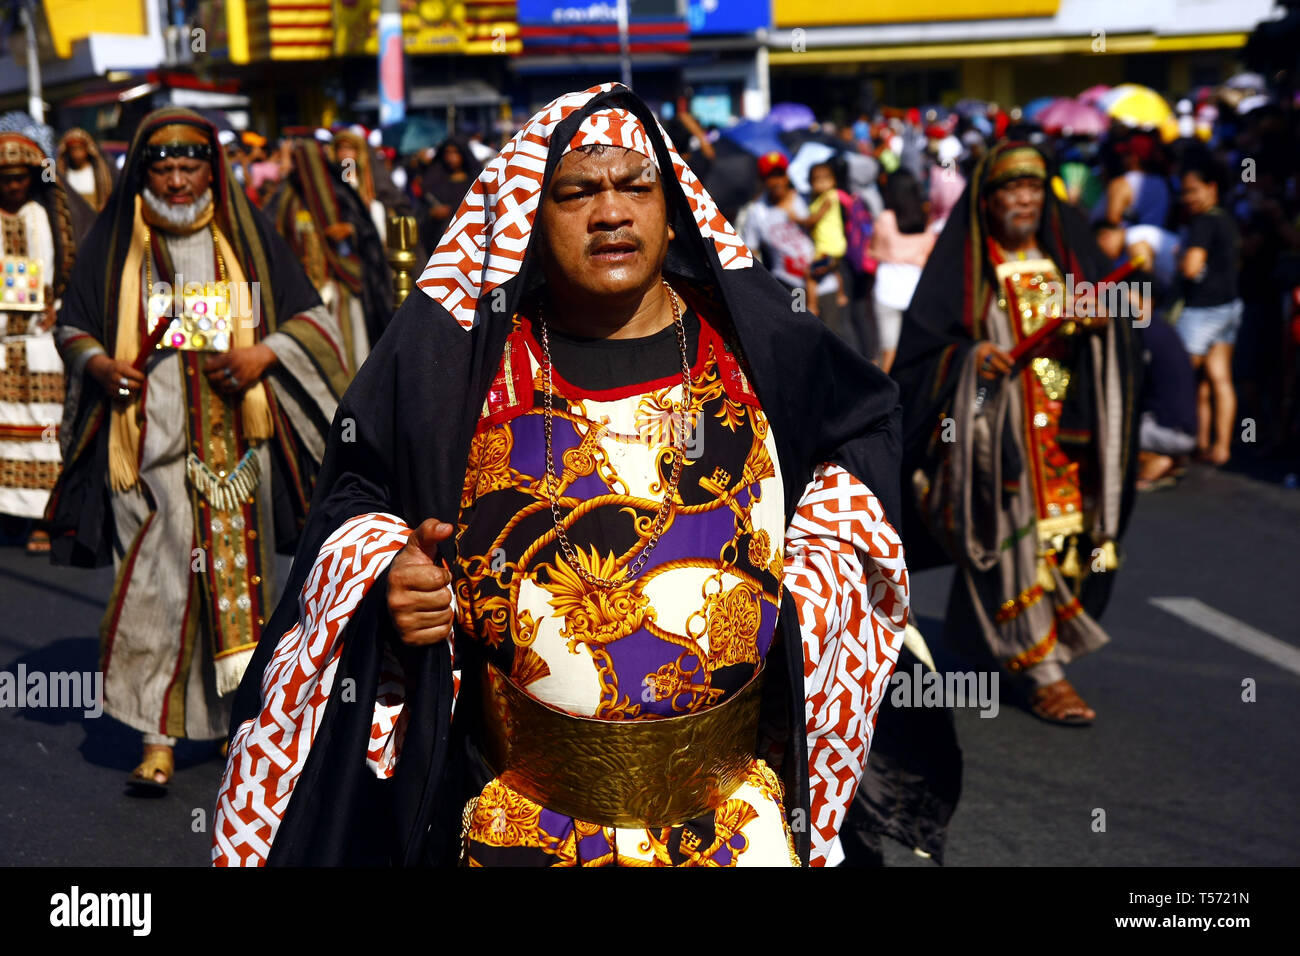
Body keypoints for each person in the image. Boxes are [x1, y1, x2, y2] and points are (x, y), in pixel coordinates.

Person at [214, 83, 909, 868]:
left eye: (634, 187)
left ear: (671, 205)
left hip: (732, 822)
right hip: (522, 825)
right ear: (530, 221)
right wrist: (385, 574)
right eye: (576, 192)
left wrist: (822, 560)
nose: (610, 213)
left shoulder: (756, 344)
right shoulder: (460, 368)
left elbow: (868, 428)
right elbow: (354, 495)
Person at [45, 107, 349, 790]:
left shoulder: (244, 239)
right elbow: (72, 326)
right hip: (143, 455)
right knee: (158, 588)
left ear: (211, 169)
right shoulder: (116, 242)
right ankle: (157, 736)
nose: (179, 181)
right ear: (142, 173)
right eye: (164, 168)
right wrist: (98, 365)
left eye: (191, 167)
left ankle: (230, 722)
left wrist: (261, 354)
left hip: (238, 457)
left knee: (236, 594)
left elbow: (311, 321)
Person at [892, 141, 1140, 726]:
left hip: (1067, 437)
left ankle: (1007, 645)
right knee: (1012, 542)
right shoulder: (967, 272)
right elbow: (923, 356)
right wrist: (971, 357)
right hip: (996, 439)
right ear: (988, 199)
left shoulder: (1068, 260)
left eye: (1033, 186)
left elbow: (1119, 337)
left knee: (1064, 546)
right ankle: (1042, 672)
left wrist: (1104, 322)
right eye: (1010, 188)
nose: (1023, 198)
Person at [0, 117, 80, 554]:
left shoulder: (45, 216)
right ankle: (10, 518)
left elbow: (67, 271)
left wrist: (59, 308)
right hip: (0, 346)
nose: (13, 186)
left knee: (45, 438)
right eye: (5, 179)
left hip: (40, 343)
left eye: (20, 177)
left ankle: (42, 520)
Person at [265, 138, 394, 373]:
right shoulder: (286, 198)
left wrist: (350, 230)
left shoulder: (337, 193)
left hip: (339, 284)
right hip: (299, 286)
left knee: (347, 349)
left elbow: (367, 233)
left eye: (296, 161)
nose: (291, 167)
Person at [1175, 153, 1241, 466]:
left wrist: (1179, 258)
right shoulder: (1226, 219)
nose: (1187, 198)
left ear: (1211, 187)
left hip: (1202, 309)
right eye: (1184, 191)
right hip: (1229, 306)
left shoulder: (1202, 223)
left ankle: (1174, 445)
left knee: (1181, 377)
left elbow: (1191, 268)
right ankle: (1218, 446)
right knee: (1218, 378)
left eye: (1192, 190)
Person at [740, 152, 839, 331]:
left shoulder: (805, 198)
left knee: (836, 339)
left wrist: (831, 261)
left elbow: (832, 231)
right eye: (771, 177)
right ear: (763, 181)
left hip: (824, 282)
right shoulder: (757, 213)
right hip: (793, 287)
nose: (777, 181)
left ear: (787, 176)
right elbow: (751, 254)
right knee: (802, 334)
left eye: (780, 175)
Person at [869, 169, 936, 372]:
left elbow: (873, 251)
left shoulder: (885, 218)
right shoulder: (926, 220)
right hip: (917, 291)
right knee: (916, 353)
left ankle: (889, 401)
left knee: (888, 352)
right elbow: (929, 254)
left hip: (887, 291)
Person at [796, 161, 850, 327]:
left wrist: (798, 220)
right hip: (829, 247)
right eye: (817, 179)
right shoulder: (816, 199)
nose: (822, 183)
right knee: (833, 268)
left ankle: (812, 305)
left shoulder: (829, 197)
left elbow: (814, 220)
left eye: (826, 178)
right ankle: (841, 294)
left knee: (809, 274)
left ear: (833, 181)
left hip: (829, 246)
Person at [412, 138, 482, 255]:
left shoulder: (474, 182)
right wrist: (432, 213)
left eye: (455, 152)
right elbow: (419, 211)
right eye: (448, 152)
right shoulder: (434, 180)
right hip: (436, 241)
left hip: (466, 242)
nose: (451, 157)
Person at [56, 128, 115, 213]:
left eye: (80, 148)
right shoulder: (65, 174)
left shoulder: (97, 173)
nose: (77, 153)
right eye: (73, 149)